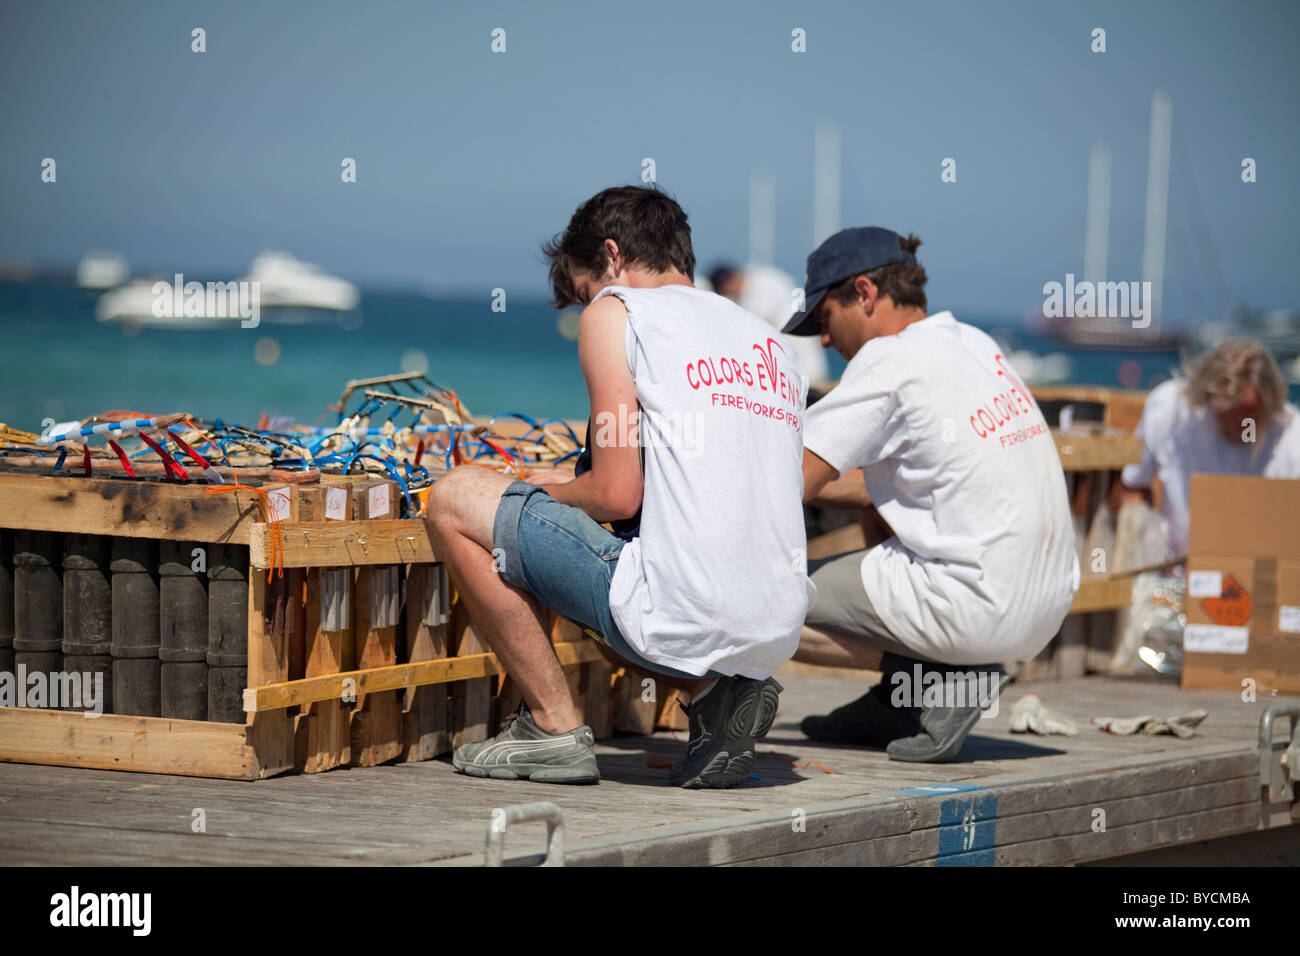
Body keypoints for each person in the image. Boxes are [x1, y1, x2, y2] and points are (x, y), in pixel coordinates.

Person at [425, 185, 814, 788]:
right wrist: (569, 486)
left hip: (684, 608)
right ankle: (717, 694)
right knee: (629, 567)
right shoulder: (771, 343)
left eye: (586, 290)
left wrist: (531, 490)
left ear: (612, 257)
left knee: (454, 498)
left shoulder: (618, 312)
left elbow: (614, 495)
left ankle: (552, 731)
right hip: (775, 620)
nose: (590, 304)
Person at [781, 227, 1080, 762]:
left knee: (757, 595)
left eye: (824, 319)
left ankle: (931, 683)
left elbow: (783, 484)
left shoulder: (888, 361)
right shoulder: (975, 344)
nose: (824, 341)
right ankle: (902, 700)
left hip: (975, 606)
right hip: (1048, 606)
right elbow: (898, 480)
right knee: (881, 494)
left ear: (865, 294)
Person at [1120, 339, 1300, 561]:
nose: (1240, 430)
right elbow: (1134, 486)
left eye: (1250, 418)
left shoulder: (1291, 438)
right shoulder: (1172, 411)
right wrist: (1148, 550)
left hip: (1261, 580)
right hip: (1178, 573)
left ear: (1270, 404)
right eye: (1228, 418)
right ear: (1207, 397)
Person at [709, 262, 831, 383]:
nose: (729, 296)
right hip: (790, 352)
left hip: (797, 350)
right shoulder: (755, 285)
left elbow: (759, 325)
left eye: (724, 292)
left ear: (727, 283)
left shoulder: (763, 283)